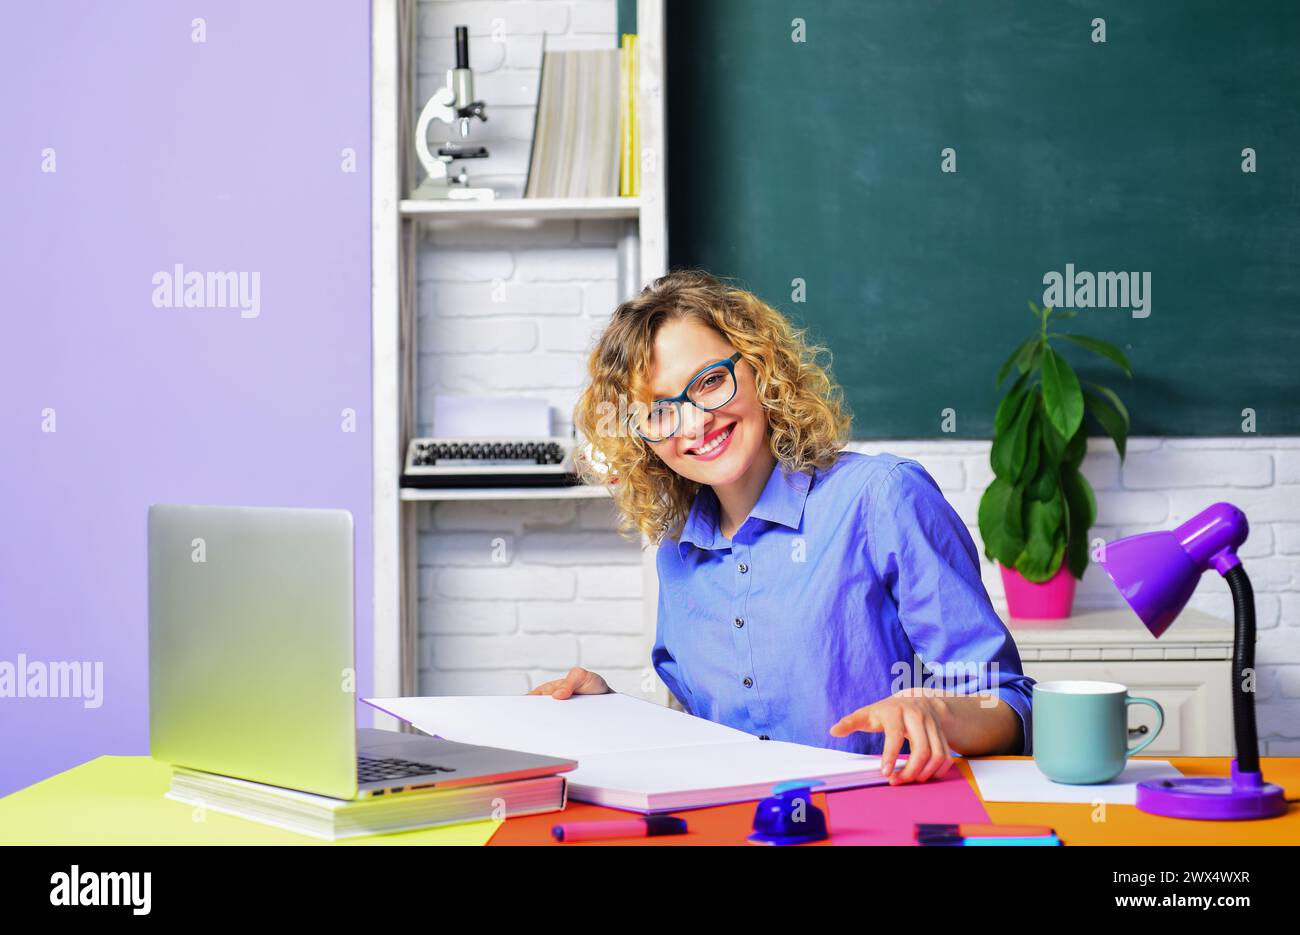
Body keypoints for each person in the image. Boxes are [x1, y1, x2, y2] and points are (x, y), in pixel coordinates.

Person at [529, 269, 1034, 785]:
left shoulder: (882, 496)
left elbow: (1008, 703)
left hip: (876, 824)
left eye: (709, 381)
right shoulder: (678, 553)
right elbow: (706, 739)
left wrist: (937, 713)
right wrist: (608, 713)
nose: (695, 423)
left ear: (760, 368)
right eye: (660, 411)